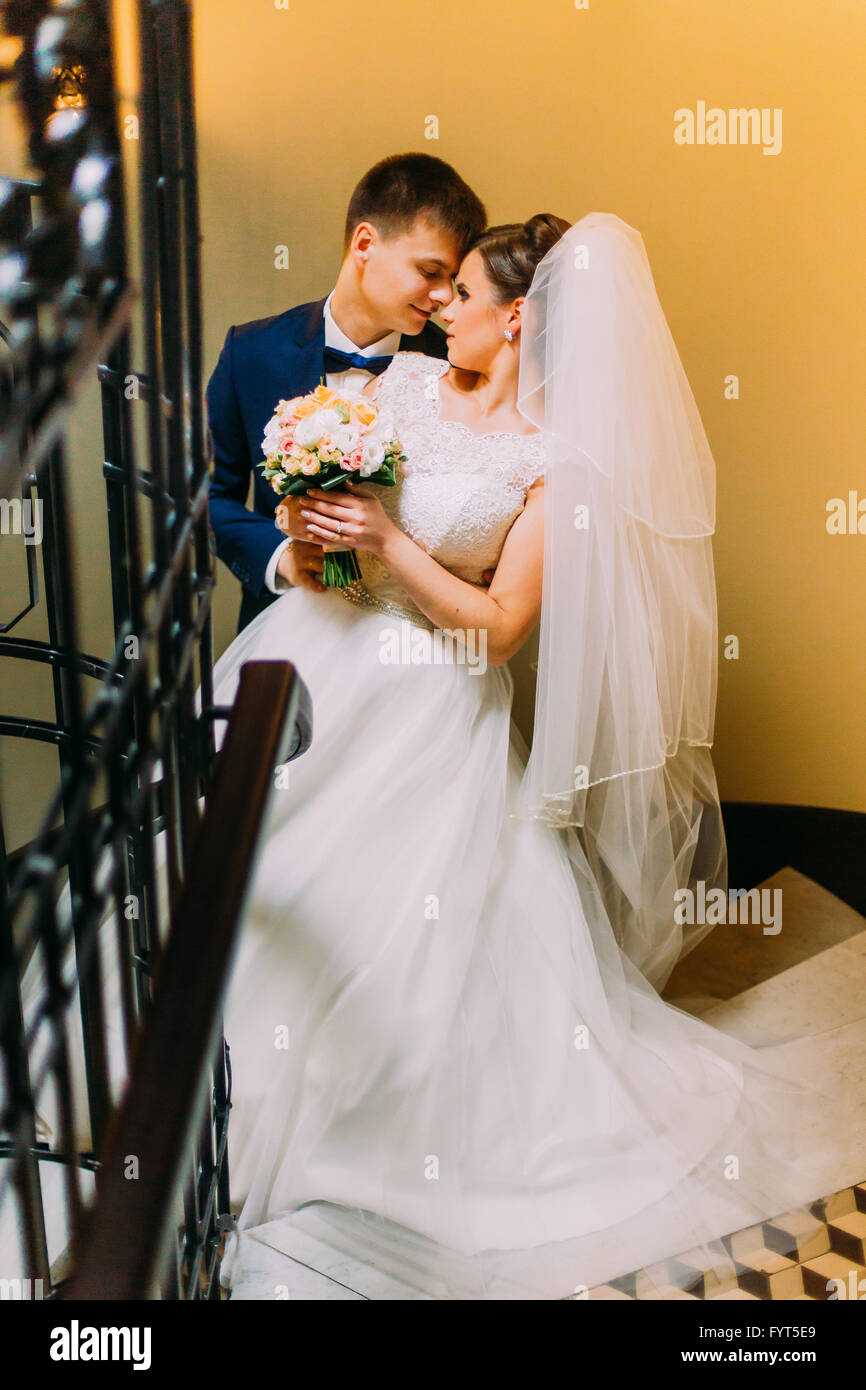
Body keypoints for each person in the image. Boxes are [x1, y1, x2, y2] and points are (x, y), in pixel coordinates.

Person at [205, 152, 487, 633]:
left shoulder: (457, 368)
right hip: (281, 633)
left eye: (453, 281)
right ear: (364, 244)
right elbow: (206, 495)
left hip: (410, 647)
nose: (443, 298)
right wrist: (281, 558)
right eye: (429, 271)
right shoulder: (251, 351)